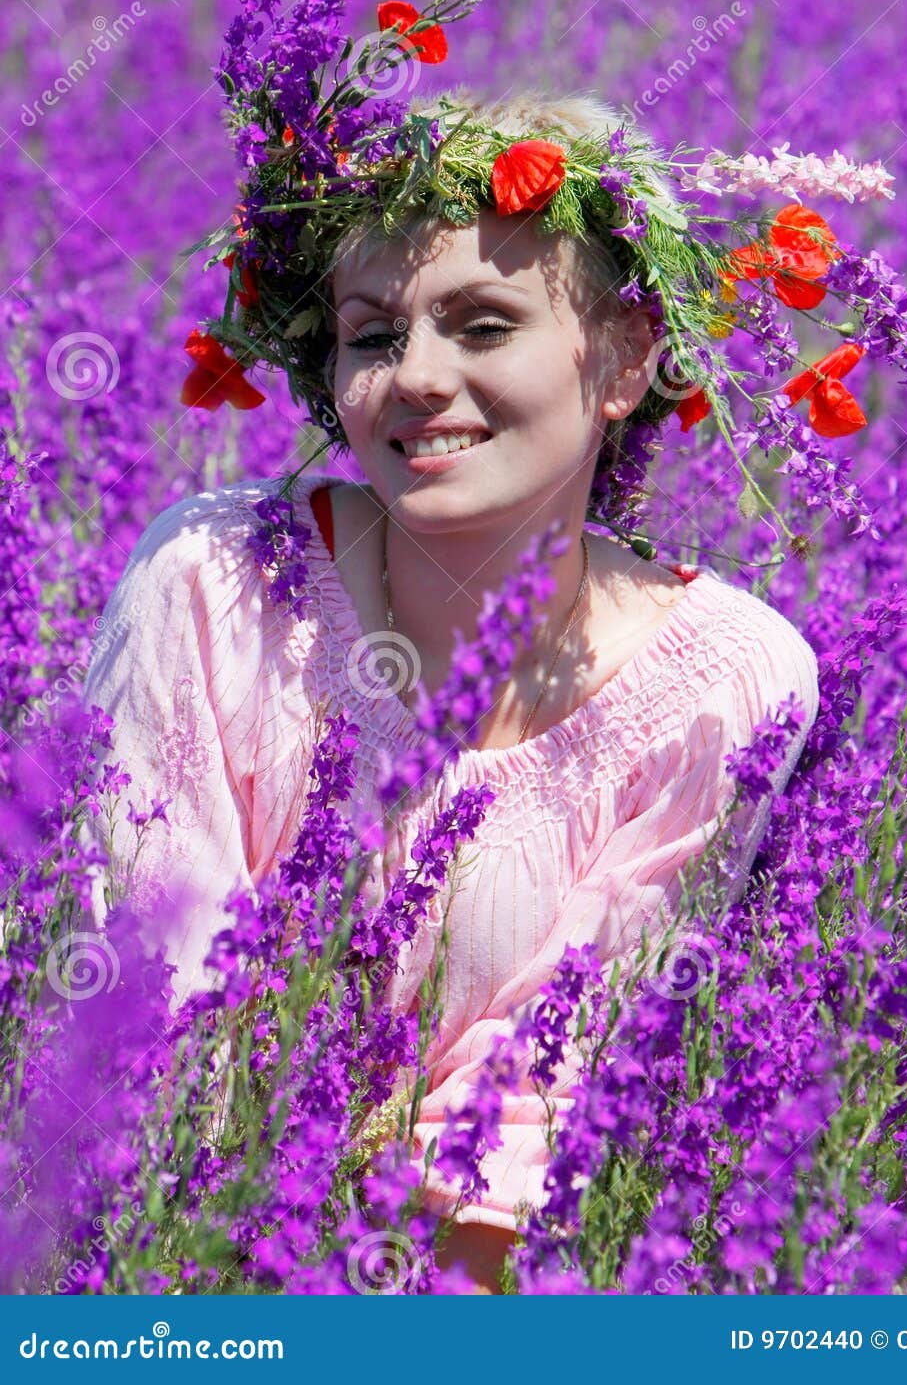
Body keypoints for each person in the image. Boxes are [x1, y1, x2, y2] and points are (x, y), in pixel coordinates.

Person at [82, 87, 821, 1294]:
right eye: (372, 334)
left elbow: (548, 1089)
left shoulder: (731, 678)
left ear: (627, 358)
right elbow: (150, 994)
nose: (416, 376)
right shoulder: (212, 580)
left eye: (481, 324)